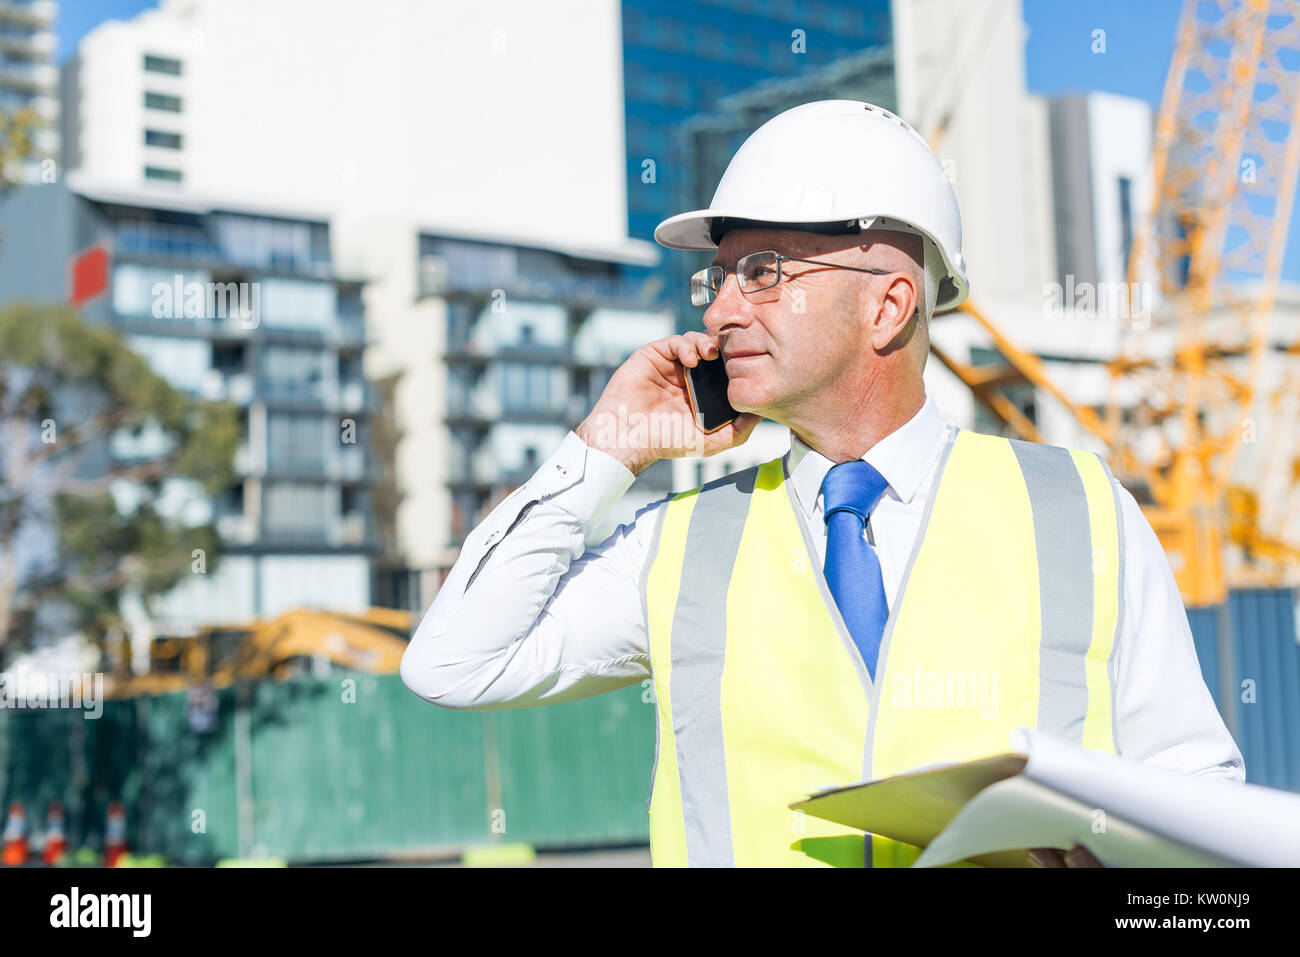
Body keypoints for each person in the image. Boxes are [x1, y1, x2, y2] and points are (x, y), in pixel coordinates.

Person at [401, 100, 1244, 868]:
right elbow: (455, 662)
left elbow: (1200, 808)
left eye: (762, 271)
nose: (719, 310)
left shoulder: (1085, 513)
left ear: (889, 305)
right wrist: (608, 446)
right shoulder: (679, 543)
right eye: (718, 276)